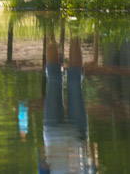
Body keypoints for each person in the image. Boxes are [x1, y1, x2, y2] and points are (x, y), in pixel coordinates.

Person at [38, 31, 95, 173]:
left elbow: (93, 162)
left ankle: (73, 29)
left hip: (76, 136)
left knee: (74, 81)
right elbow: (42, 163)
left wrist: (90, 151)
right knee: (53, 78)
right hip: (53, 135)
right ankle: (51, 28)